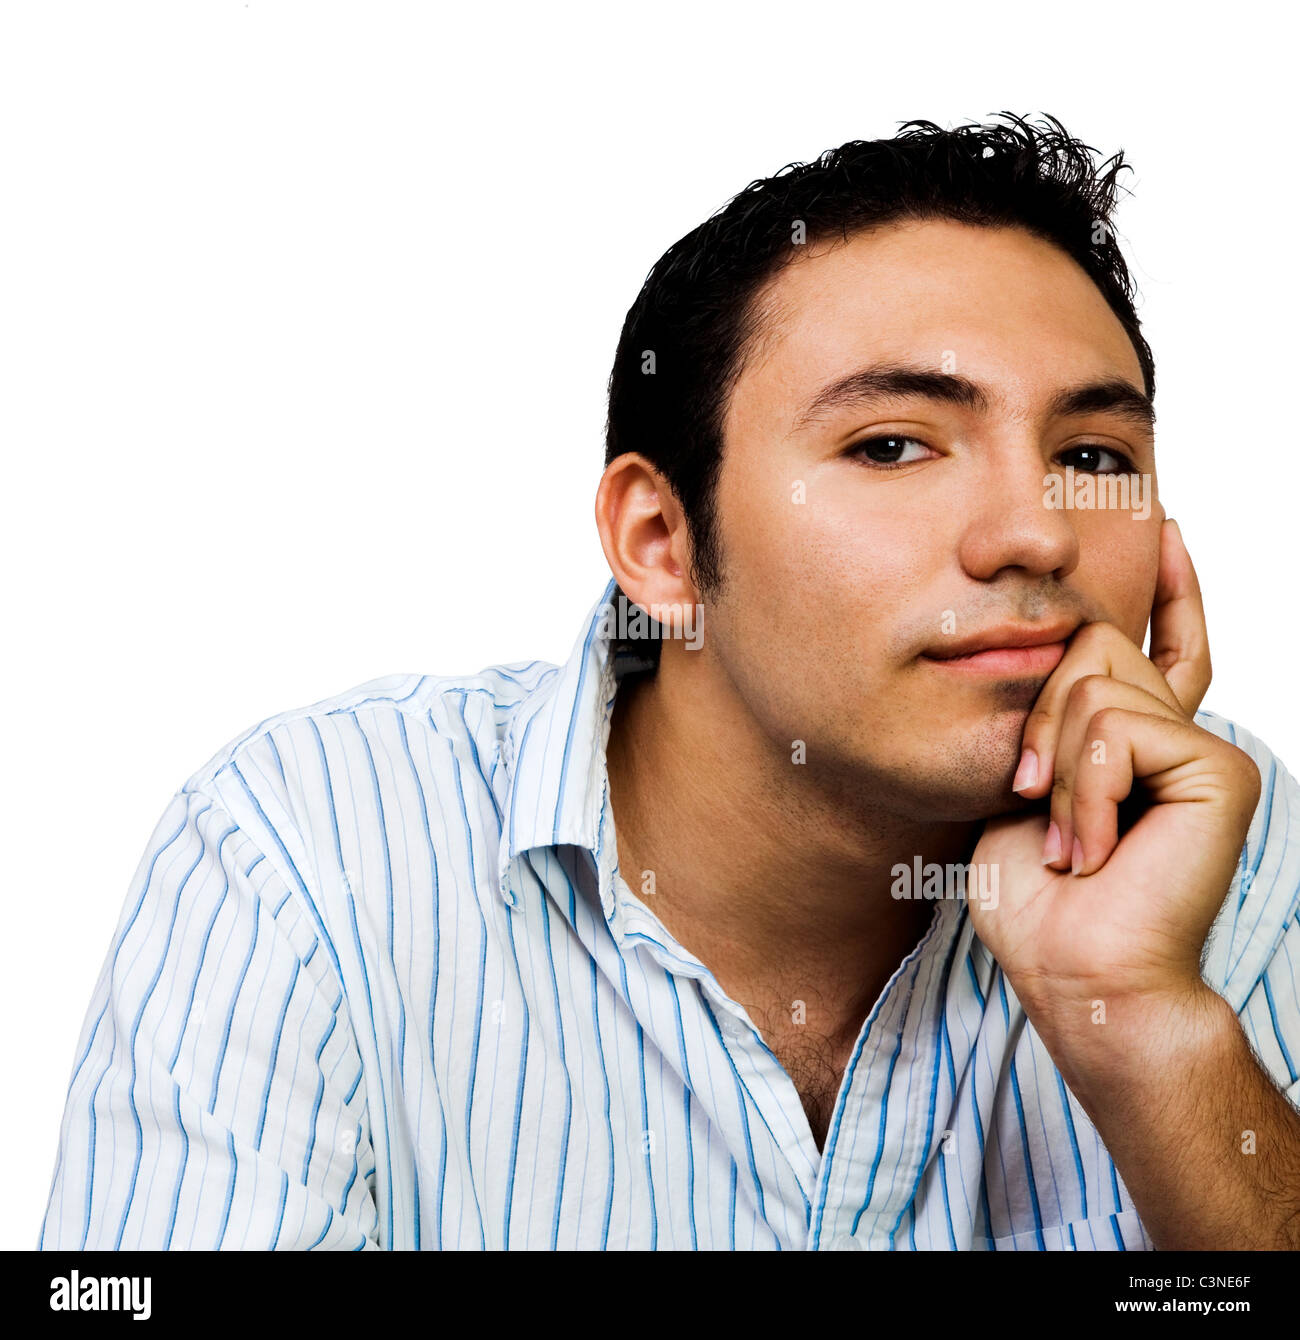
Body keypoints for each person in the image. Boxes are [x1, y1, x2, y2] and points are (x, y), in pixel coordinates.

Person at [39, 113, 1300, 1251]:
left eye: (1089, 453)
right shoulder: (312, 850)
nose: (1033, 534)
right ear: (661, 543)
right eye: (893, 444)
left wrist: (1146, 1024)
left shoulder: (1213, 837)